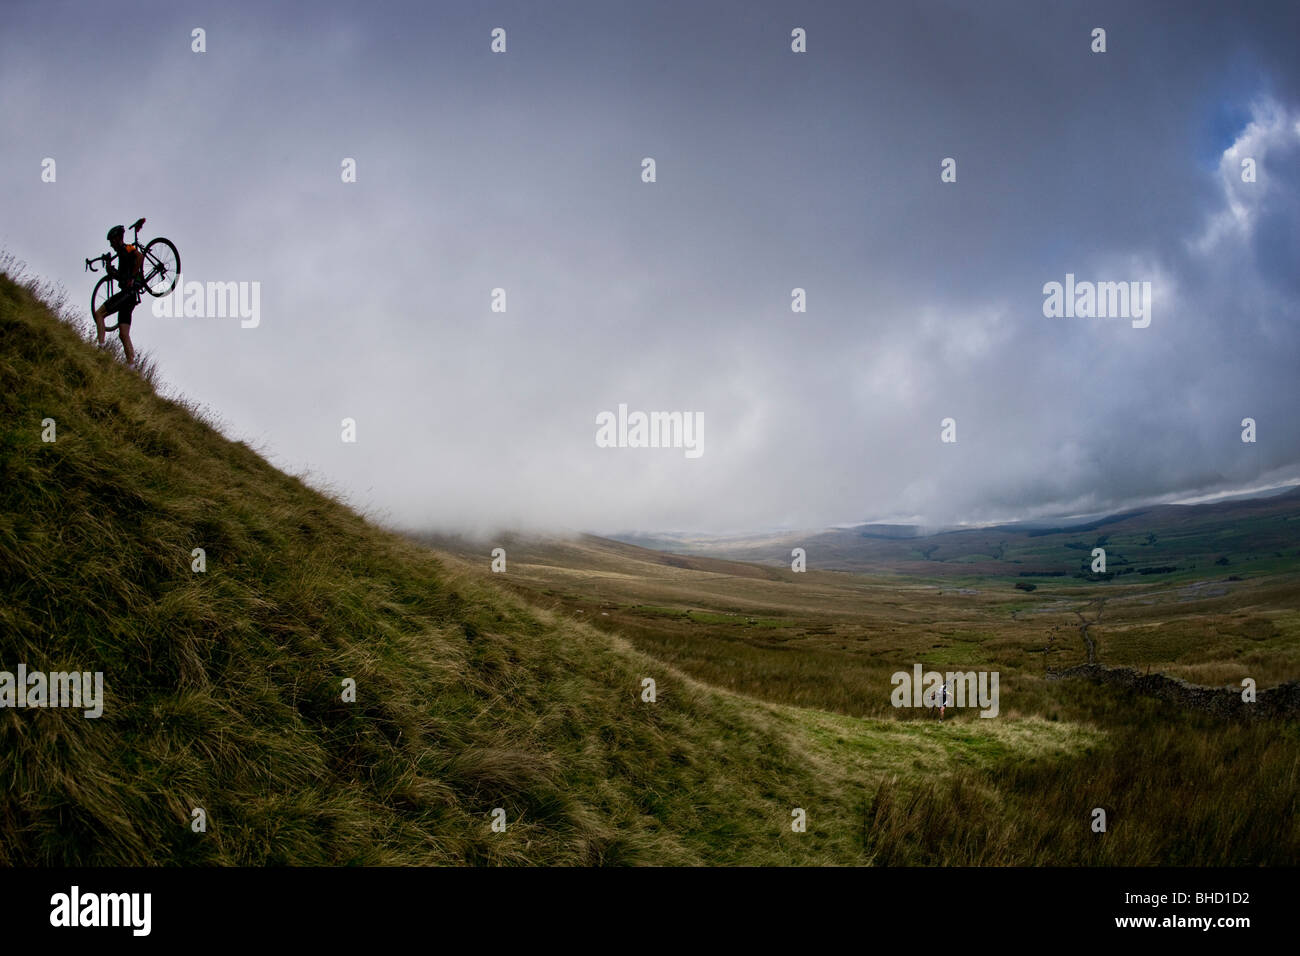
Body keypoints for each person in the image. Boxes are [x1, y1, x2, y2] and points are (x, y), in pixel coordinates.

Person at [92, 224, 144, 365]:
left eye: (111, 241)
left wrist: (133, 277)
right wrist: (111, 270)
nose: (111, 245)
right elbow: (121, 277)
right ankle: (131, 365)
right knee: (123, 333)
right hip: (131, 297)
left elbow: (139, 256)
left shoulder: (126, 248)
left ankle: (101, 348)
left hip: (128, 293)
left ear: (117, 239)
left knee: (99, 314)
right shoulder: (122, 254)